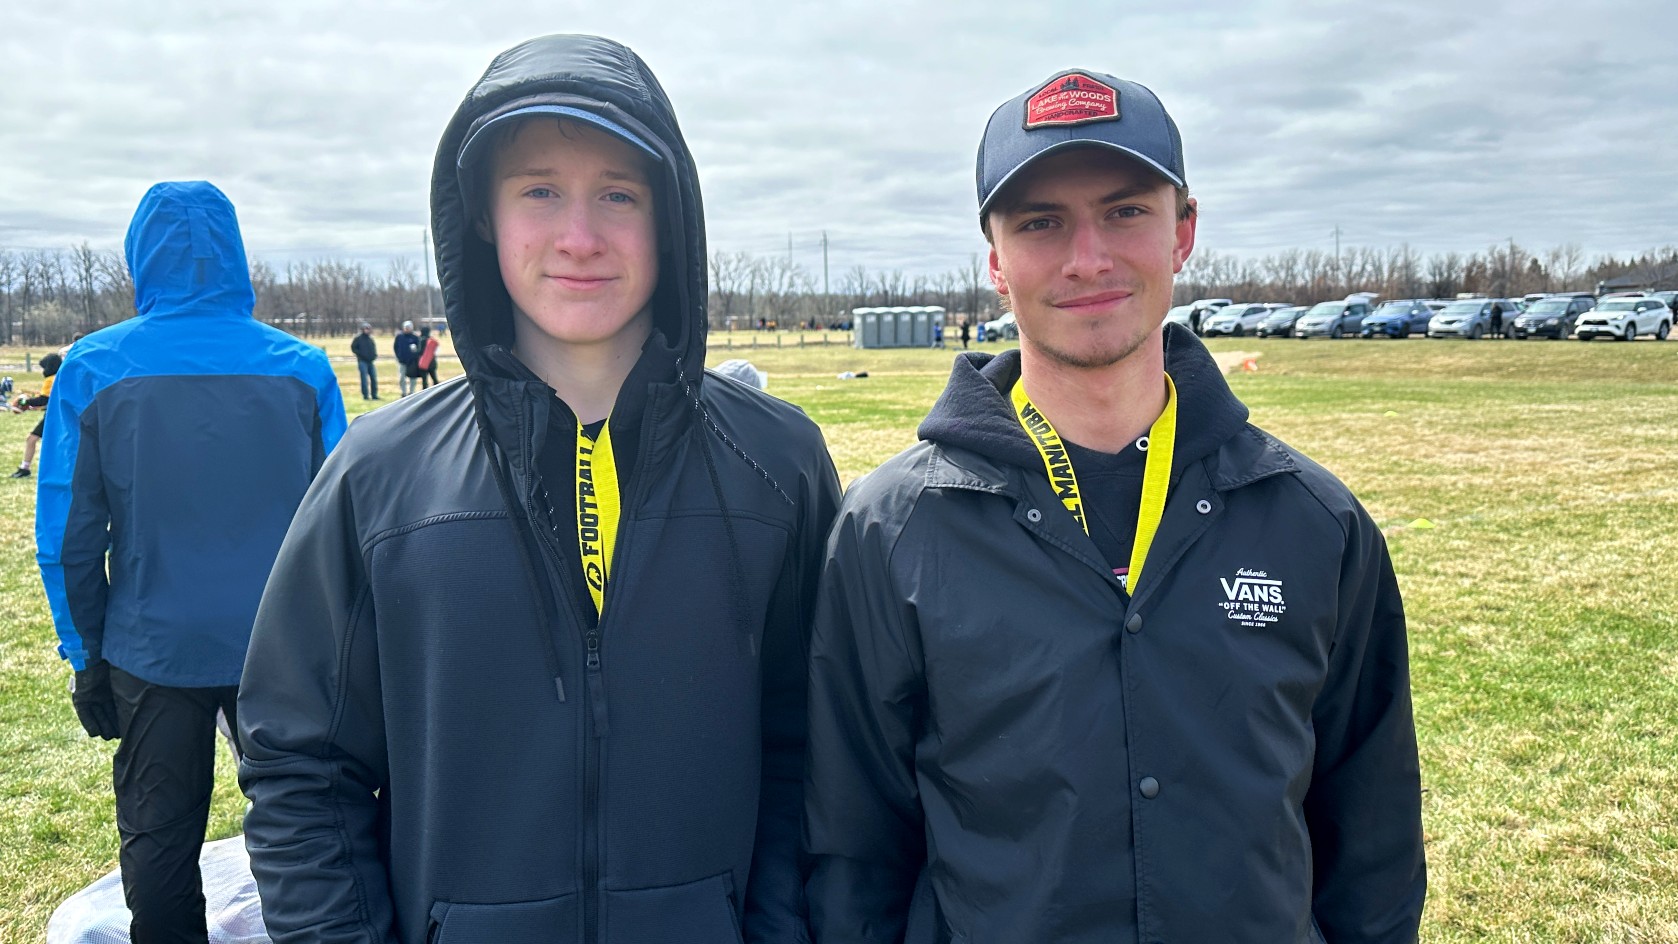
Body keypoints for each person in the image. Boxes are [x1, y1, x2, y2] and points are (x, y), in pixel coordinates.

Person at [237, 34, 840, 944]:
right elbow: (298, 767)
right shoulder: (380, 475)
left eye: (619, 194)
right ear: (480, 213)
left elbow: (819, 754)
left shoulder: (779, 464)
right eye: (540, 190)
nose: (580, 236)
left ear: (670, 214)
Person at [804, 70, 1426, 943]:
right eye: (1040, 222)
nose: (1086, 257)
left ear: (1184, 232)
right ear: (994, 259)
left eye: (1126, 211)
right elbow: (853, 854)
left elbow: (1374, 845)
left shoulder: (1314, 525)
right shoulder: (891, 531)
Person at [34, 180, 347, 942]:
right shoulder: (302, 371)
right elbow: (347, 528)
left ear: (142, 258)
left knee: (159, 832)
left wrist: (86, 657)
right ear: (235, 255)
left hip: (153, 645)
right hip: (283, 646)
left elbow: (69, 535)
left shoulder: (95, 367)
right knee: (308, 821)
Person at [9, 350, 63, 478]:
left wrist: (24, 401)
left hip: (54, 416)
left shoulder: (51, 379)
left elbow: (43, 400)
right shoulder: (62, 376)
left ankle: (25, 468)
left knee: (32, 439)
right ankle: (26, 468)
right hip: (59, 414)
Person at [351, 321, 380, 399]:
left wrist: (374, 355)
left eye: (368, 329)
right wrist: (360, 355)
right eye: (366, 328)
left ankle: (374, 395)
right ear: (362, 329)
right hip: (362, 361)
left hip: (370, 361)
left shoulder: (370, 339)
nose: (367, 330)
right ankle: (365, 395)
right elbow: (353, 348)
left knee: (373, 378)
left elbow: (373, 348)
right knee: (364, 379)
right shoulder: (358, 338)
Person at [394, 319, 421, 396]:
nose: (407, 329)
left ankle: (412, 392)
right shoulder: (399, 337)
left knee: (413, 377)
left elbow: (418, 348)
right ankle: (403, 392)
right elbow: (396, 347)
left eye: (408, 327)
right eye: (405, 327)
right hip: (402, 361)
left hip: (412, 362)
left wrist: (415, 356)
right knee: (402, 377)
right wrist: (398, 356)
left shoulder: (415, 337)